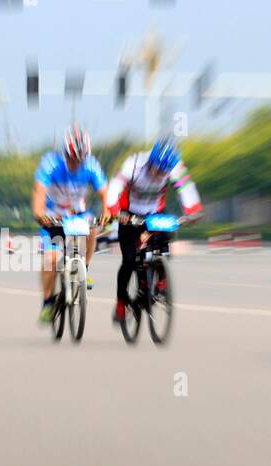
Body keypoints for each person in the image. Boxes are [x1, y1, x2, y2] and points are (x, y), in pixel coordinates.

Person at [104, 136, 202, 325]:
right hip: (129, 214)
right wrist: (114, 211)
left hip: (155, 212)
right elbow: (115, 187)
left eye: (163, 171)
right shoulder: (133, 163)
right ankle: (121, 303)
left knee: (166, 233)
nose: (159, 174)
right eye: (157, 168)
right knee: (129, 260)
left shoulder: (174, 165)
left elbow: (186, 188)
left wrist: (193, 210)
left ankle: (160, 276)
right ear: (150, 161)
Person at [31, 124, 108, 324]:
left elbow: (104, 192)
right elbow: (39, 190)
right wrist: (39, 212)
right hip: (53, 215)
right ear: (65, 153)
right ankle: (47, 301)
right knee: (51, 258)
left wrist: (107, 212)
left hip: (77, 214)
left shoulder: (91, 165)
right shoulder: (50, 163)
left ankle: (85, 268)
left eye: (80, 159)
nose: (75, 163)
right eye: (72, 158)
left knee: (92, 227)